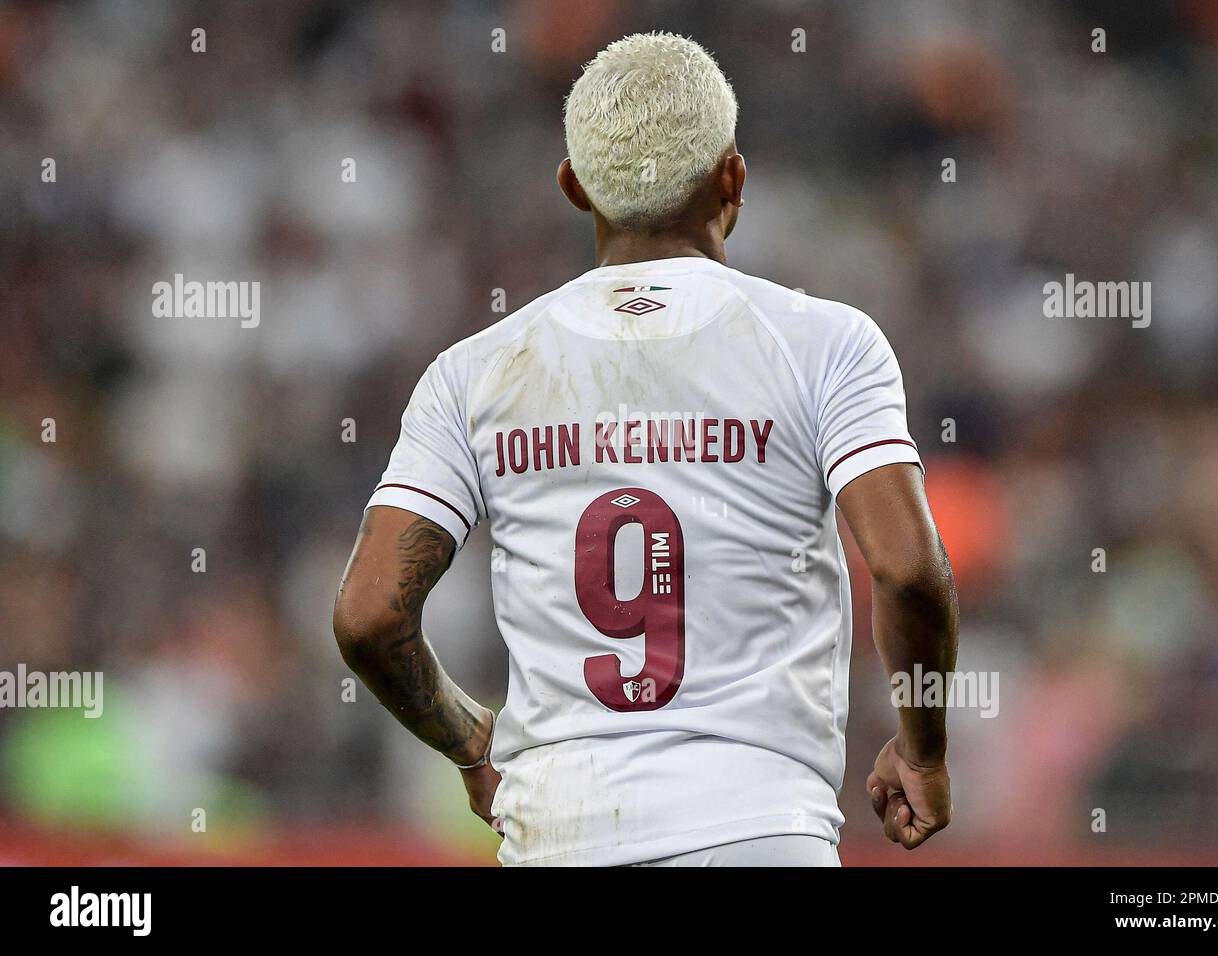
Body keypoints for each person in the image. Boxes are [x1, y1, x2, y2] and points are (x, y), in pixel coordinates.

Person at [333, 32, 958, 867]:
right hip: (757, 825)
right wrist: (921, 749)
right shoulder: (828, 344)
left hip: (559, 832)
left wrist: (472, 744)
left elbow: (369, 615)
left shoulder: (473, 373)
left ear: (572, 186)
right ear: (734, 176)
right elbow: (909, 571)